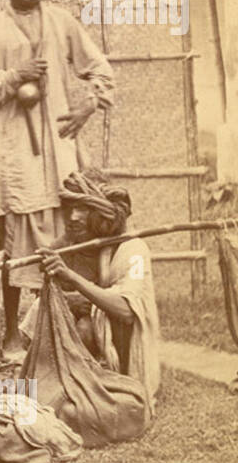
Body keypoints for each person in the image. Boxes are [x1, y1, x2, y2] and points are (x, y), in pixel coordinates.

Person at [0, 0, 115, 358]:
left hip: (59, 145)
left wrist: (89, 103)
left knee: (64, 235)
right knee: (16, 243)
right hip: (13, 152)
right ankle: (11, 332)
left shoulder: (62, 23)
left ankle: (58, 327)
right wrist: (14, 77)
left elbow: (98, 68)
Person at [26, 170, 162, 405]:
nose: (73, 217)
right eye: (70, 209)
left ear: (101, 212)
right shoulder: (73, 243)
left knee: (86, 329)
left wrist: (71, 279)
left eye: (83, 209)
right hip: (89, 344)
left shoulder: (134, 250)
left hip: (122, 352)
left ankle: (94, 385)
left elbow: (126, 311)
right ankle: (64, 382)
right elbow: (53, 299)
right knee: (41, 311)